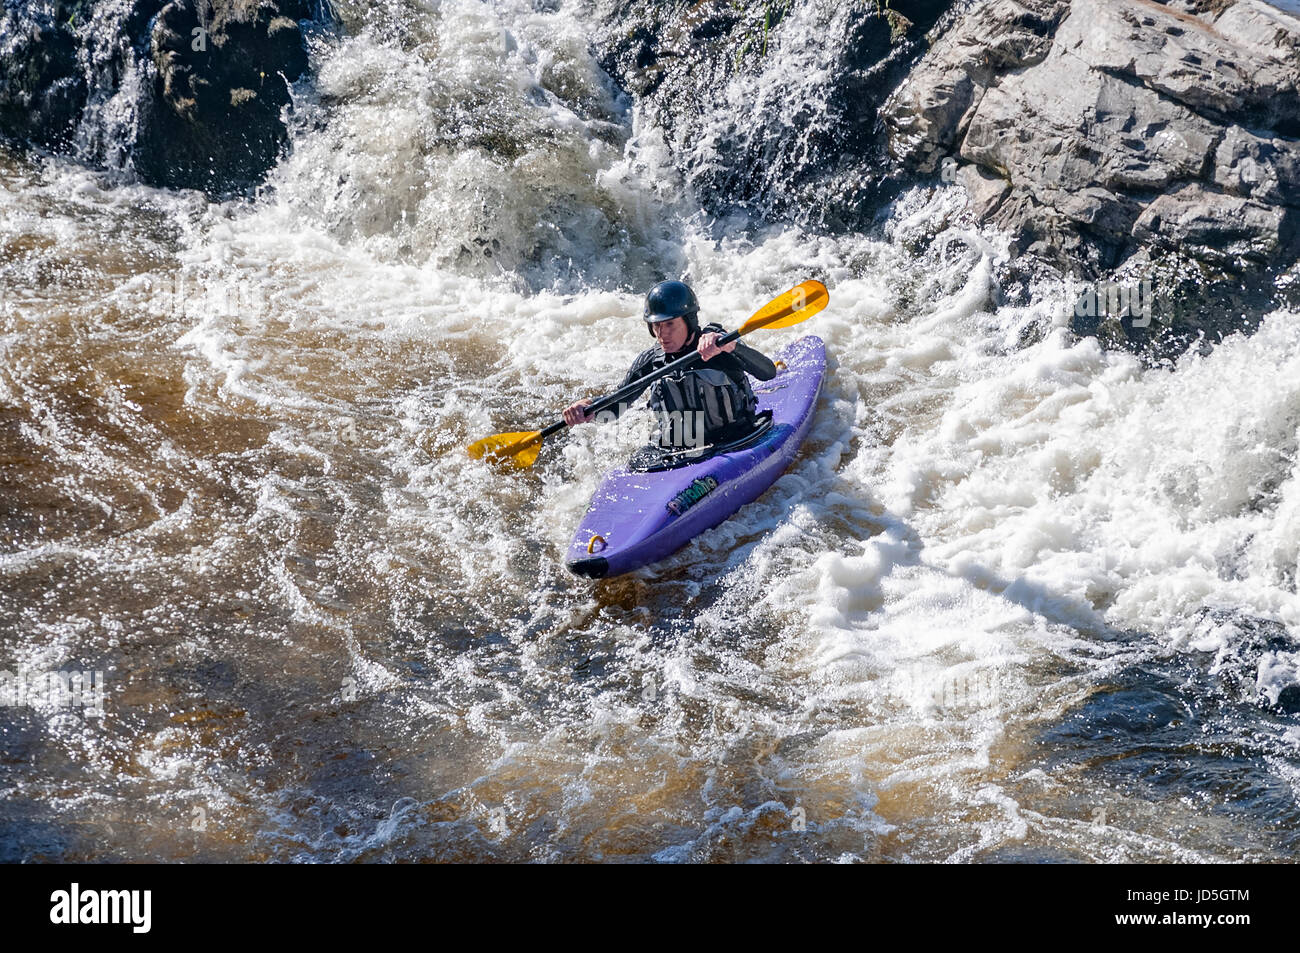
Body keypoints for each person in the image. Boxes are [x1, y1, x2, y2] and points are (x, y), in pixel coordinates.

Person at [563, 280, 777, 462]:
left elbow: (767, 372)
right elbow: (616, 406)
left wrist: (730, 346)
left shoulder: (718, 344)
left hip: (737, 440)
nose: (662, 334)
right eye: (656, 326)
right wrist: (589, 408)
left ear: (689, 320)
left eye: (670, 324)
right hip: (682, 449)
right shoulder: (651, 361)